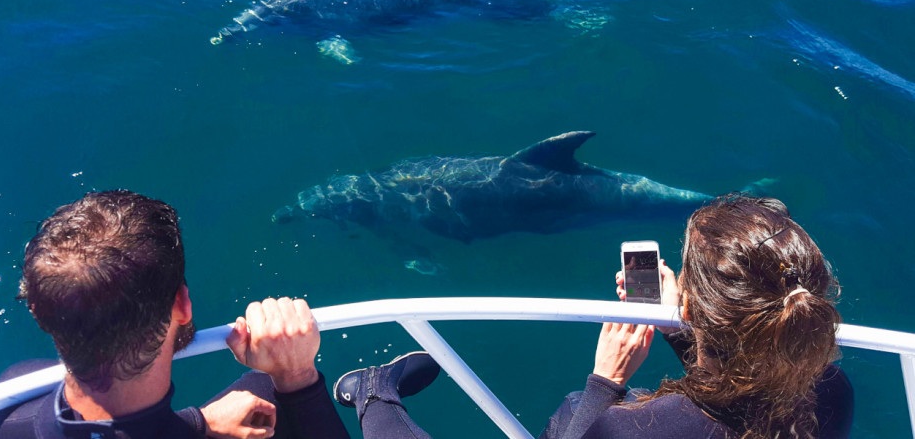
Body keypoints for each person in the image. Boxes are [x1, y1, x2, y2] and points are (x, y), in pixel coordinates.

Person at [334, 194, 854, 438]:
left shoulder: (639, 430)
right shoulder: (830, 388)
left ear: (696, 305)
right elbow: (746, 383)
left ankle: (375, 391)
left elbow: (584, 430)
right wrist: (681, 332)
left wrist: (605, 381)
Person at [0, 190, 351, 439]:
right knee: (262, 391)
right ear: (182, 304)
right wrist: (298, 378)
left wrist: (195, 424)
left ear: (40, 312)